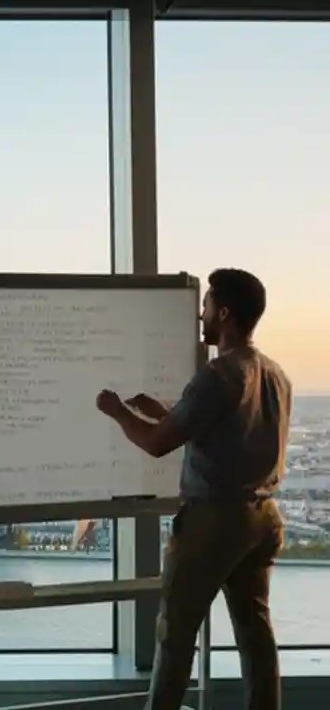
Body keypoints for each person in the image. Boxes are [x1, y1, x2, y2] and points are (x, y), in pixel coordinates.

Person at [96, 268, 290, 710]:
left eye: (205, 305)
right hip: (262, 519)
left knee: (176, 635)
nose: (200, 314)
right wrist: (164, 410)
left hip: (214, 523)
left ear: (223, 313)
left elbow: (157, 443)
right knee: (255, 632)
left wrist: (116, 412)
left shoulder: (217, 374)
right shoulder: (276, 374)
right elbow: (224, 429)